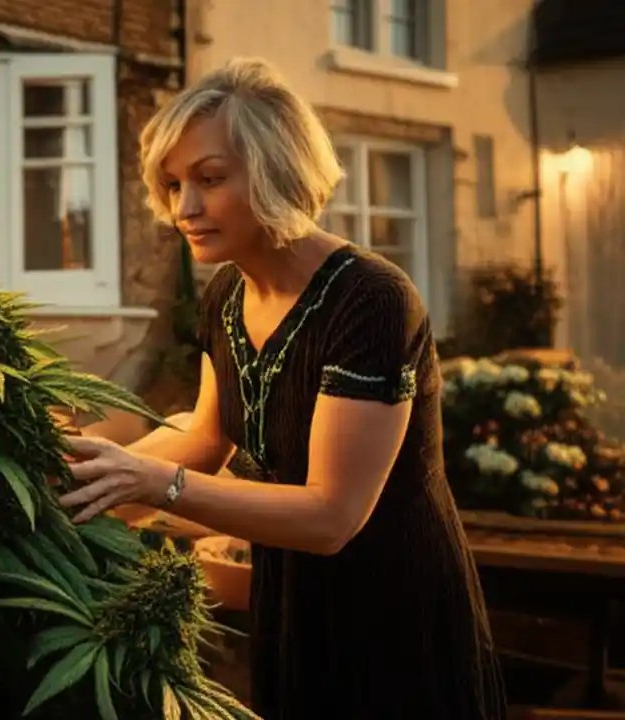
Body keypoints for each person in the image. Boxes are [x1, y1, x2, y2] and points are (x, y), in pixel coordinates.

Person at [58, 57, 508, 719]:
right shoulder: (227, 295)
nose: (184, 207)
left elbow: (332, 518)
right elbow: (207, 437)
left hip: (392, 612)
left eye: (209, 179)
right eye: (174, 182)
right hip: (292, 600)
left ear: (276, 171)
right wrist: (87, 471)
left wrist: (153, 485)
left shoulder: (372, 301)